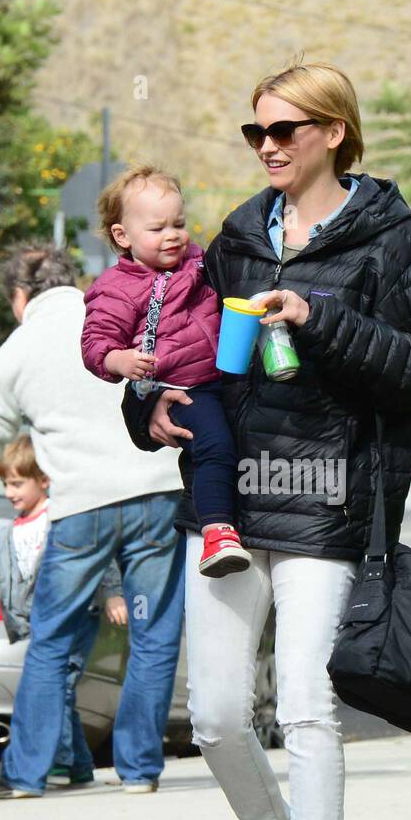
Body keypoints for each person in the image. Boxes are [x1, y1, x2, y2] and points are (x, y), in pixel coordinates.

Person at [145, 61, 411, 820]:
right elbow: (187, 348)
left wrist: (315, 314)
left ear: (332, 132)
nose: (268, 146)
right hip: (229, 503)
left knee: (310, 710)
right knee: (215, 715)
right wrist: (146, 406)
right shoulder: (236, 234)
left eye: (284, 130)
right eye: (256, 132)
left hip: (329, 500)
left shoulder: (389, 235)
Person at [0, 244, 185, 799]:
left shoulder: (13, 355)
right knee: (153, 634)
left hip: (81, 509)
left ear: (20, 298)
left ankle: (26, 776)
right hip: (156, 493)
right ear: (74, 280)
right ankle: (138, 771)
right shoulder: (122, 314)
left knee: (50, 641)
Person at [81, 164, 249, 578]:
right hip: (179, 387)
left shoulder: (197, 263)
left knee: (235, 443)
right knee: (214, 445)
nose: (172, 235)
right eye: (157, 229)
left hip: (222, 376)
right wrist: (119, 360)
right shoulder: (118, 287)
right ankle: (217, 531)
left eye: (179, 223)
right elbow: (95, 342)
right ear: (123, 236)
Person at [0, 435, 126, 790]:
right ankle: (78, 764)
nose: (9, 492)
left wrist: (113, 594)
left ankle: (62, 762)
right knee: (59, 688)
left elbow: (100, 556)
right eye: (5, 483)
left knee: (60, 686)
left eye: (18, 483)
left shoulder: (61, 518)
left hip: (78, 614)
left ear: (44, 481)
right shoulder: (7, 532)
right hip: (40, 623)